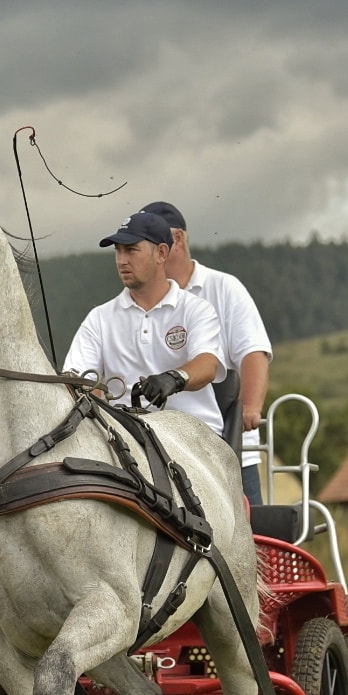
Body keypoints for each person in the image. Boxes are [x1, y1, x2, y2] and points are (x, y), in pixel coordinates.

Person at [141, 201, 274, 506]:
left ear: (178, 240)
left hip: (228, 440)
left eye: (153, 245)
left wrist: (251, 408)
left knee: (249, 535)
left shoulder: (225, 288)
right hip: (163, 443)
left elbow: (253, 352)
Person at [63, 209, 228, 439]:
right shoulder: (99, 318)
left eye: (131, 250)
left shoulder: (196, 310)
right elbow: (75, 379)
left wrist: (174, 378)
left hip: (194, 437)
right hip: (126, 438)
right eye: (118, 251)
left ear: (161, 253)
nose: (122, 260)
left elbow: (208, 364)